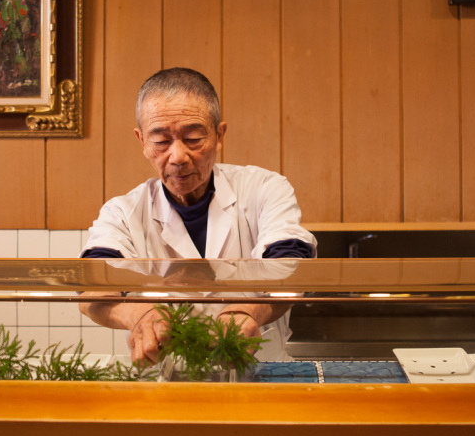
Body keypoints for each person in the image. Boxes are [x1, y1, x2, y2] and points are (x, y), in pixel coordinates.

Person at [78, 68, 316, 365]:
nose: (178, 156)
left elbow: (294, 267)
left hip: (261, 372)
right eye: (161, 141)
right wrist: (137, 313)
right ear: (142, 142)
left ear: (218, 135)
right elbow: (90, 289)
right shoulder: (123, 212)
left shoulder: (264, 189)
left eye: (193, 137)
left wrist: (250, 311)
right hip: (168, 380)